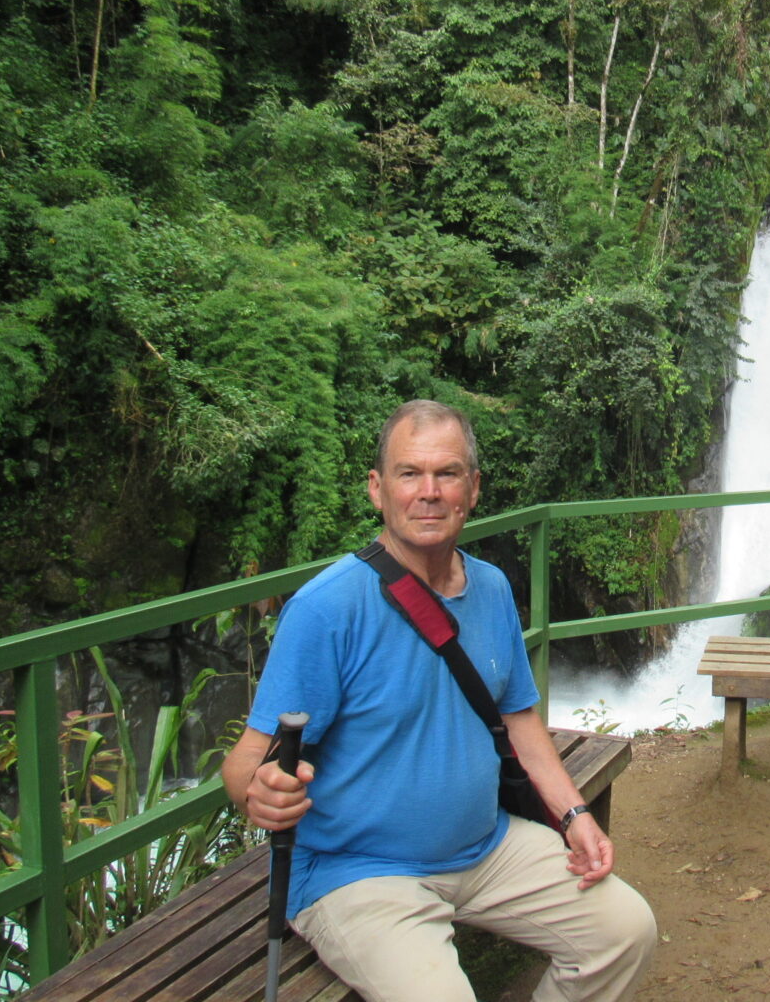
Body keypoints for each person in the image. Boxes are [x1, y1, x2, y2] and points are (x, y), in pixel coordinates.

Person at [222, 400, 656, 1002]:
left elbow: (520, 722)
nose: (428, 492)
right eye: (409, 473)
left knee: (627, 931)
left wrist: (573, 815)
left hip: (487, 848)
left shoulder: (493, 588)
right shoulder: (327, 610)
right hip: (360, 874)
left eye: (447, 473)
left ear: (472, 489)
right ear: (378, 489)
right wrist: (258, 792)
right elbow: (246, 762)